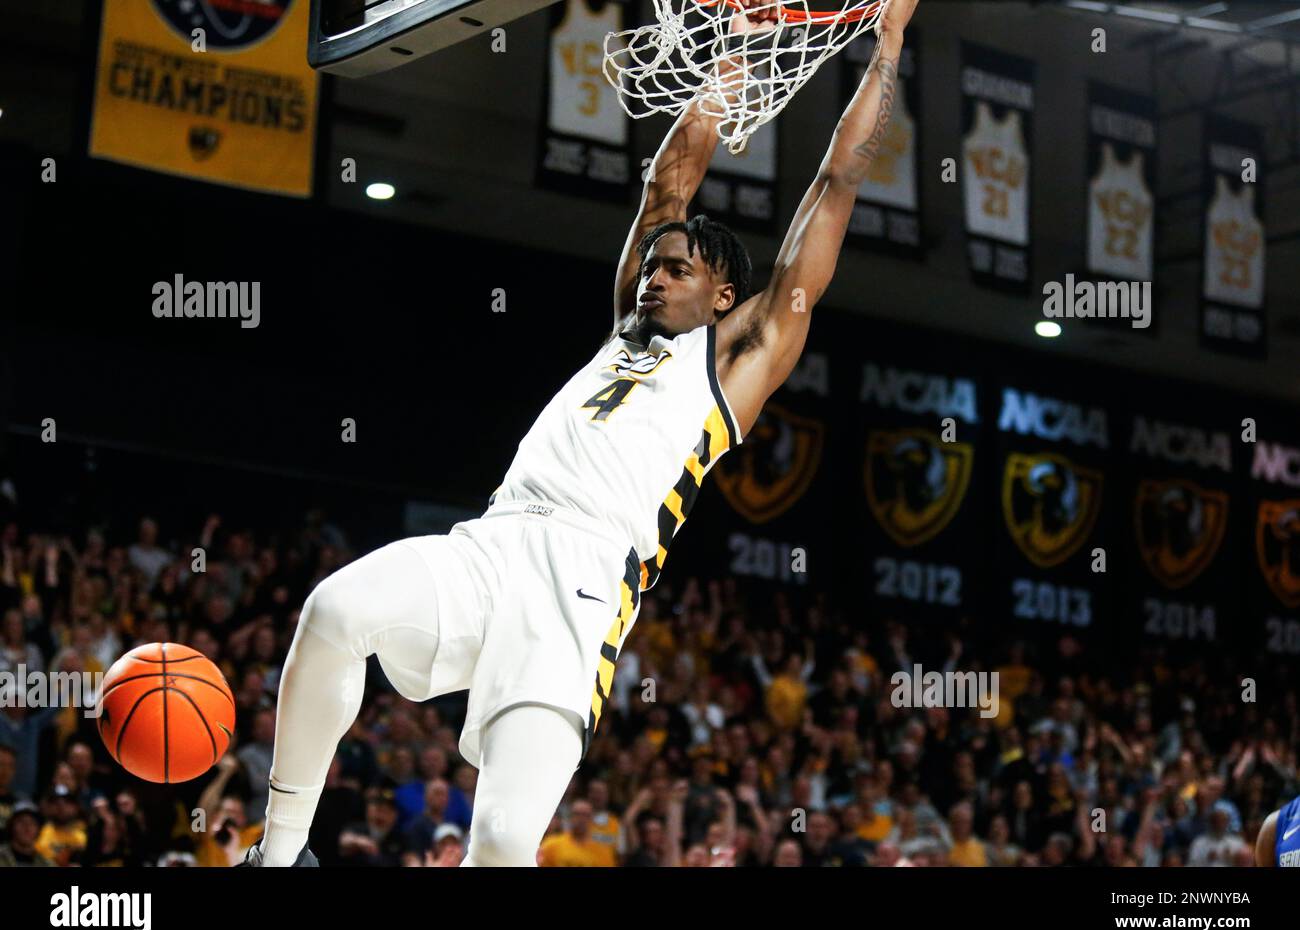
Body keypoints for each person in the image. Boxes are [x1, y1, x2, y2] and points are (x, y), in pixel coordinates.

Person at [241, 0, 921, 867]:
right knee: (334, 611)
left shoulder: (742, 357)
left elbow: (836, 187)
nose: (654, 276)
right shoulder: (624, 334)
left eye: (678, 270)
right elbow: (667, 186)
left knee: (501, 843)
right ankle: (281, 855)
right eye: (653, 262)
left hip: (584, 593)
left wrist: (888, 45)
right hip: (496, 540)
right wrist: (736, 58)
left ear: (723, 297)